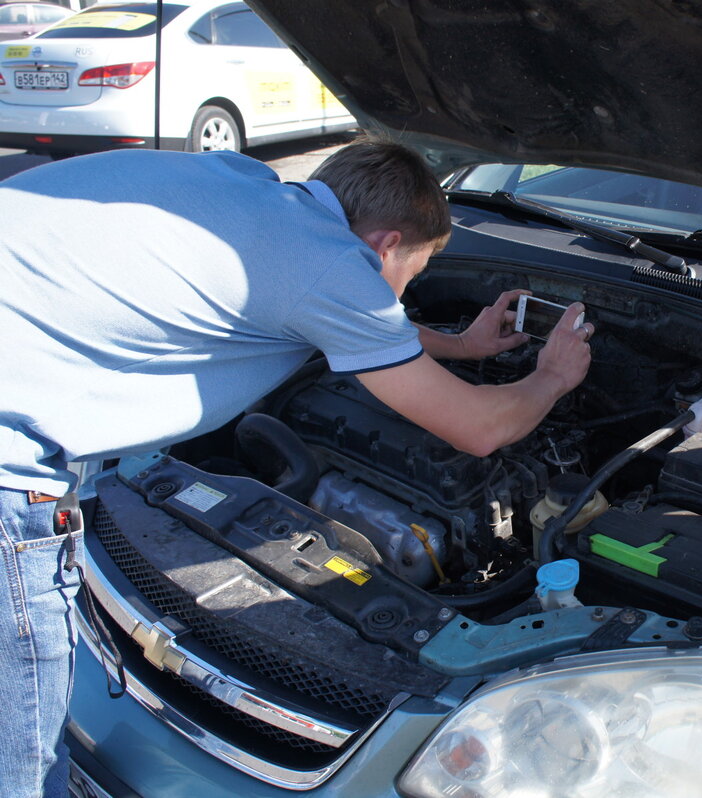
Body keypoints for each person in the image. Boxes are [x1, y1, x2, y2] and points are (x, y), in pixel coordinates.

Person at [0, 138, 593, 797]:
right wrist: (551, 377)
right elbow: (482, 430)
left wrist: (457, 345)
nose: (403, 293)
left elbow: (336, 307)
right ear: (385, 246)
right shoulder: (329, 263)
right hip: (9, 461)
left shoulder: (249, 185)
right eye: (412, 274)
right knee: (22, 758)